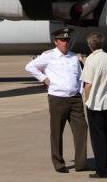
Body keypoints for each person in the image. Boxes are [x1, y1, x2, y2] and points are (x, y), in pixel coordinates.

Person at [25, 28, 88, 173]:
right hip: (57, 99)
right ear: (56, 41)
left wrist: (80, 91)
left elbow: (80, 76)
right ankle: (59, 163)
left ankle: (81, 163)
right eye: (62, 40)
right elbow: (30, 67)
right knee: (57, 132)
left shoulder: (74, 57)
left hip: (75, 99)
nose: (65, 43)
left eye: (67, 40)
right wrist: (44, 79)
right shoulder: (48, 56)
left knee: (81, 130)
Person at [81, 32, 107, 179]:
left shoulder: (91, 60)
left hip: (95, 103)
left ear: (90, 45)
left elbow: (88, 84)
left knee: (97, 138)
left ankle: (102, 170)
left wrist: (86, 100)